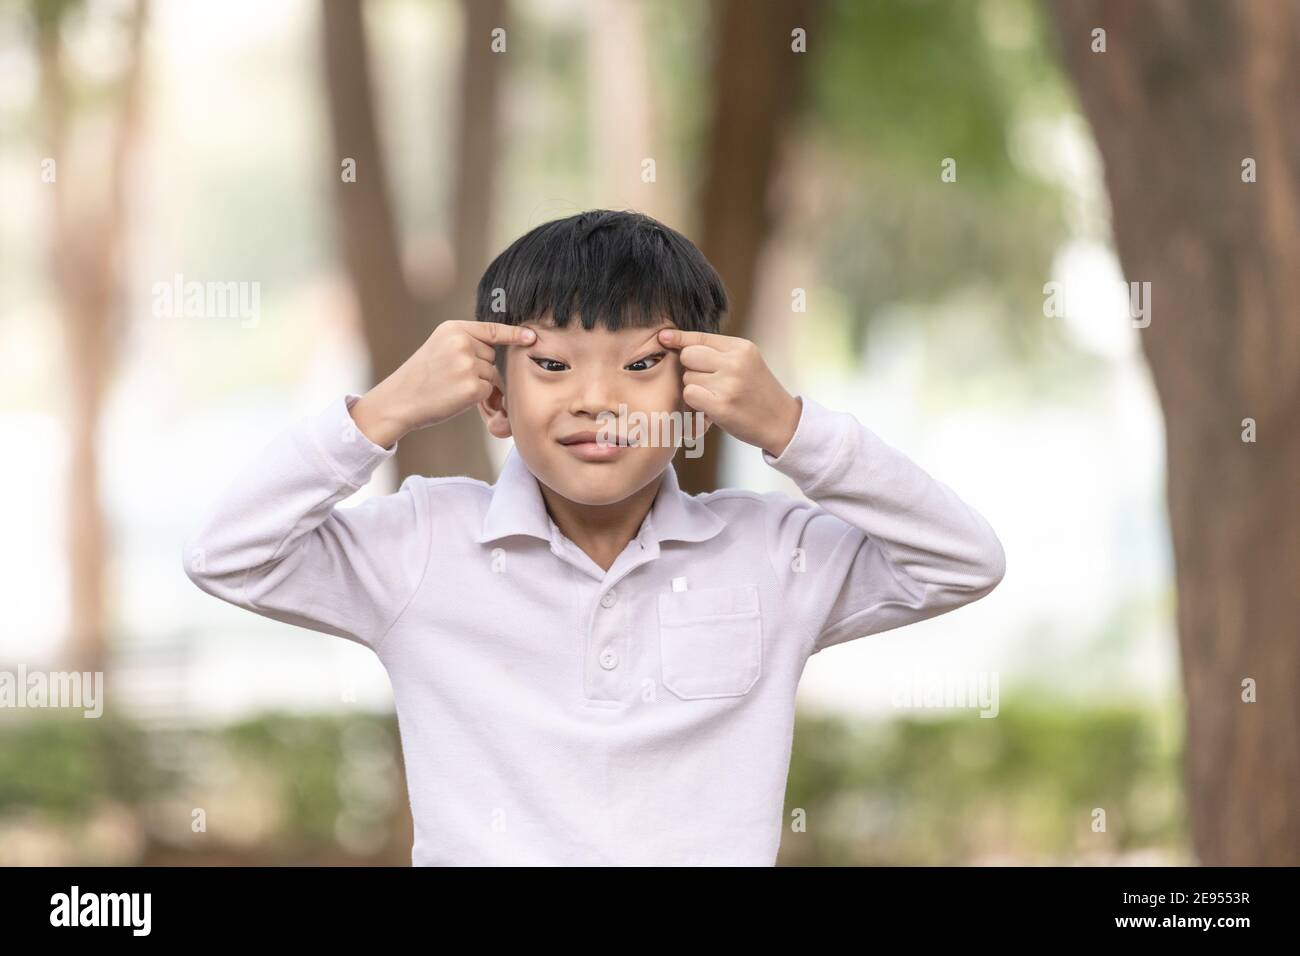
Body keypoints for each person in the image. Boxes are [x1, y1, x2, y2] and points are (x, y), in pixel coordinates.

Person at [182, 209, 1005, 865]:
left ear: (702, 395)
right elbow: (225, 554)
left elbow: (962, 560)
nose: (597, 398)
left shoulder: (771, 554)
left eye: (642, 365)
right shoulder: (426, 545)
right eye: (552, 365)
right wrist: (381, 412)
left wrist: (793, 428)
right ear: (494, 401)